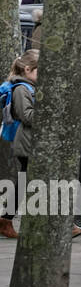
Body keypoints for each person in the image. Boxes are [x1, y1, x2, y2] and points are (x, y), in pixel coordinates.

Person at [0, 51, 38, 238]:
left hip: (30, 142)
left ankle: (6, 220)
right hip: (27, 143)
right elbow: (27, 116)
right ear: (28, 69)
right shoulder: (22, 89)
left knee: (25, 183)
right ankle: (5, 220)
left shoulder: (29, 87)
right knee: (25, 184)